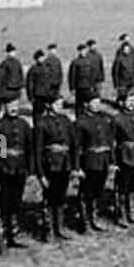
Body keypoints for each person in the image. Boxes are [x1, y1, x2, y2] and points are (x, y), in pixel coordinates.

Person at [0, 98, 34, 251]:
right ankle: (1, 237)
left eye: (16, 105)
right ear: (4, 107)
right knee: (3, 203)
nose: (13, 108)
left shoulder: (23, 125)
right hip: (4, 170)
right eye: (10, 105)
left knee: (16, 202)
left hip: (19, 170)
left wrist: (30, 171)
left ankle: (14, 234)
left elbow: (29, 150)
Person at [35, 95, 77, 240]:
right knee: (49, 197)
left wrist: (74, 166)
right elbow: (38, 150)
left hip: (64, 164)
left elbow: (74, 145)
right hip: (50, 164)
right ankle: (48, 230)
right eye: (56, 104)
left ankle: (59, 227)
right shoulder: (42, 123)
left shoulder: (66, 121)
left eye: (61, 104)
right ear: (48, 105)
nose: (60, 107)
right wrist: (40, 174)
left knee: (61, 196)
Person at [73, 96, 114, 229]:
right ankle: (84, 221)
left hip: (103, 161)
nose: (97, 105)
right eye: (93, 102)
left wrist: (112, 161)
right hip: (89, 161)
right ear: (86, 104)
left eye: (99, 102)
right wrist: (77, 166)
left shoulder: (103, 121)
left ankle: (94, 217)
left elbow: (109, 142)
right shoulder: (80, 122)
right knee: (86, 191)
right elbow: (76, 147)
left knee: (97, 190)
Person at [113, 92, 134, 225]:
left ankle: (130, 212)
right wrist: (114, 162)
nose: (131, 103)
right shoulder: (117, 119)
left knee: (133, 185)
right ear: (121, 103)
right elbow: (113, 142)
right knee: (123, 185)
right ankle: (120, 215)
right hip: (124, 156)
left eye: (133, 100)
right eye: (128, 100)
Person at [68, 44, 97, 118]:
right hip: (79, 87)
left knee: (89, 103)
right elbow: (72, 76)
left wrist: (93, 85)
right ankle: (79, 118)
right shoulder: (75, 62)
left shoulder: (90, 61)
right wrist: (72, 88)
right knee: (79, 104)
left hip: (88, 86)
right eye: (81, 51)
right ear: (79, 52)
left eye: (84, 50)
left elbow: (93, 74)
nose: (83, 52)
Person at [112, 34, 134, 103]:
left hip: (130, 78)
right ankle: (120, 102)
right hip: (122, 79)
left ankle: (127, 104)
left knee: (129, 93)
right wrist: (116, 82)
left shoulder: (132, 51)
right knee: (122, 93)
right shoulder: (119, 57)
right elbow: (116, 70)